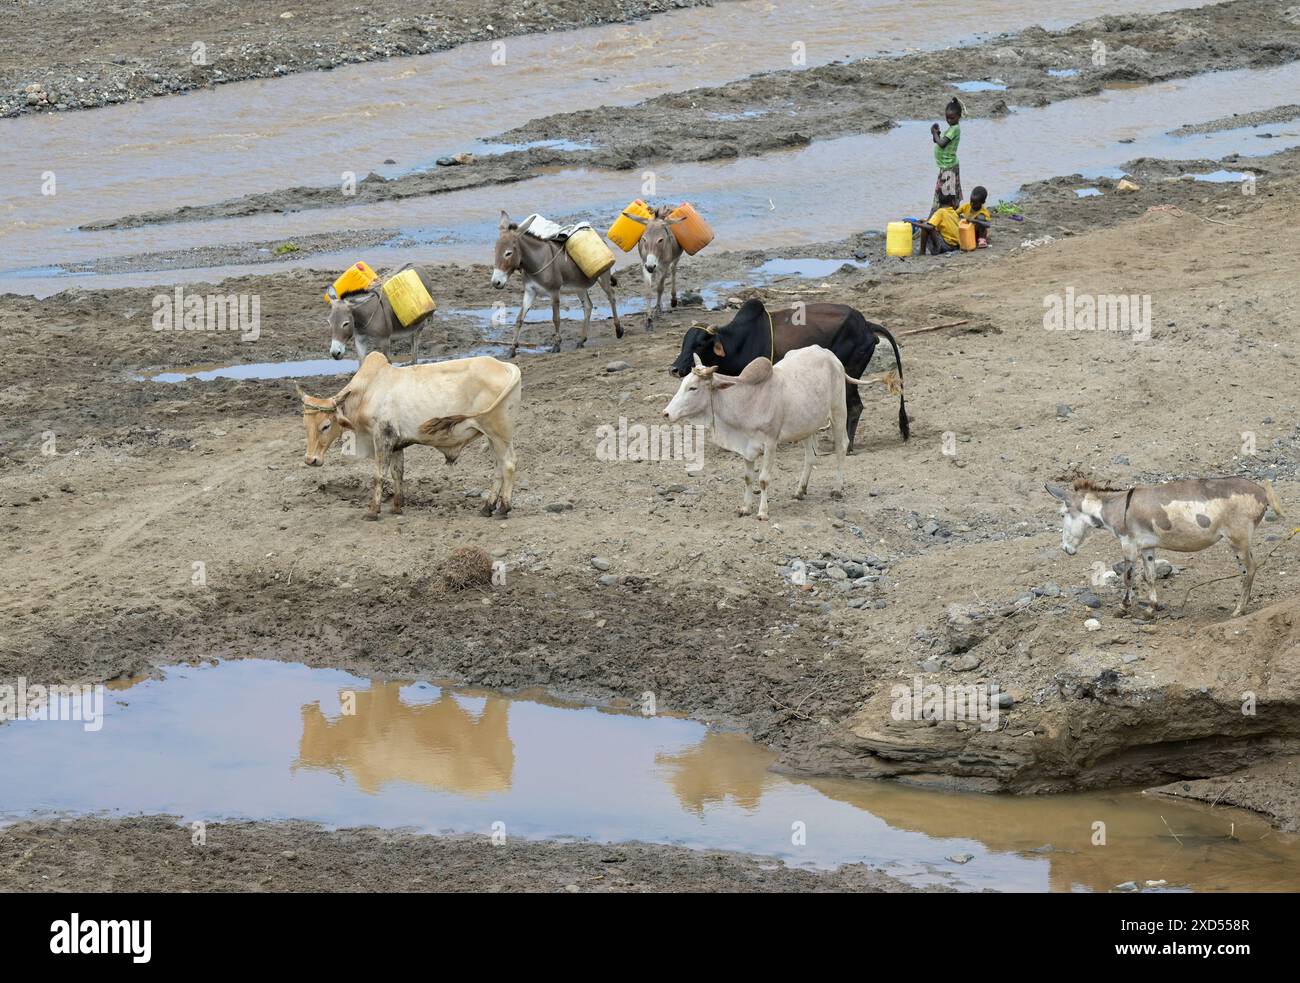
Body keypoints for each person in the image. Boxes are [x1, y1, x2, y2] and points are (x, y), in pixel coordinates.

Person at [931, 97, 963, 210]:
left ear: (959, 116)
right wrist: (936, 134)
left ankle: (938, 216)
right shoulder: (951, 129)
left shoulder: (955, 129)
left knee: (945, 194)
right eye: (947, 118)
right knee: (947, 193)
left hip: (949, 167)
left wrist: (934, 134)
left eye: (952, 118)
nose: (949, 120)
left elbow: (942, 144)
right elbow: (938, 141)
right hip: (946, 166)